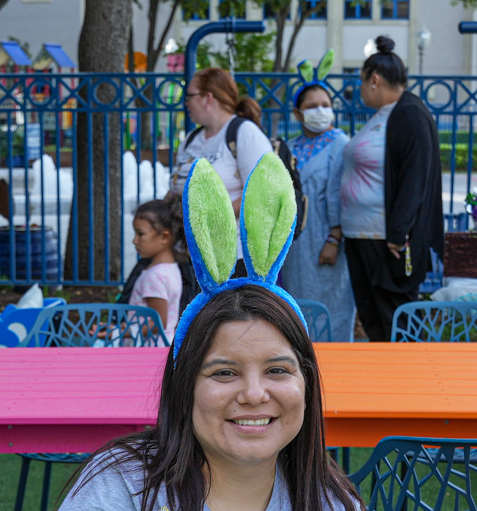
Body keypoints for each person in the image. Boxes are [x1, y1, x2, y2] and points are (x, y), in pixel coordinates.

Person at [34, 285, 375, 511]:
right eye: (224, 373)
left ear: (305, 384)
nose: (254, 394)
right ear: (185, 388)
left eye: (277, 370)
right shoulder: (122, 485)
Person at [341, 37, 443, 342]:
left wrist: (399, 233)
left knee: (393, 321)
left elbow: (415, 177)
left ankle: (404, 382)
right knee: (374, 320)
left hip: (385, 239)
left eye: (361, 82)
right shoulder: (384, 115)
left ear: (374, 80)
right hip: (362, 235)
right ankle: (381, 380)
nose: (359, 90)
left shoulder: (408, 113)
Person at [278, 79, 356, 342]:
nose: (320, 111)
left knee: (332, 308)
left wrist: (334, 238)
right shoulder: (289, 147)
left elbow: (342, 195)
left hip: (326, 242)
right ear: (298, 114)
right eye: (312, 106)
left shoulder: (341, 143)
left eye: (325, 105)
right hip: (295, 245)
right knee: (297, 311)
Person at [171, 68, 272, 211]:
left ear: (208, 98)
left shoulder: (244, 133)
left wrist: (217, 222)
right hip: (187, 233)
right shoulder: (192, 138)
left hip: (233, 233)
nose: (186, 103)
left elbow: (261, 191)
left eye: (189, 97)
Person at [129, 196, 188, 339]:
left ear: (164, 237)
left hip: (148, 350)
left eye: (140, 234)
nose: (134, 240)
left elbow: (158, 322)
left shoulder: (155, 276)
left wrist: (120, 333)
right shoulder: (170, 269)